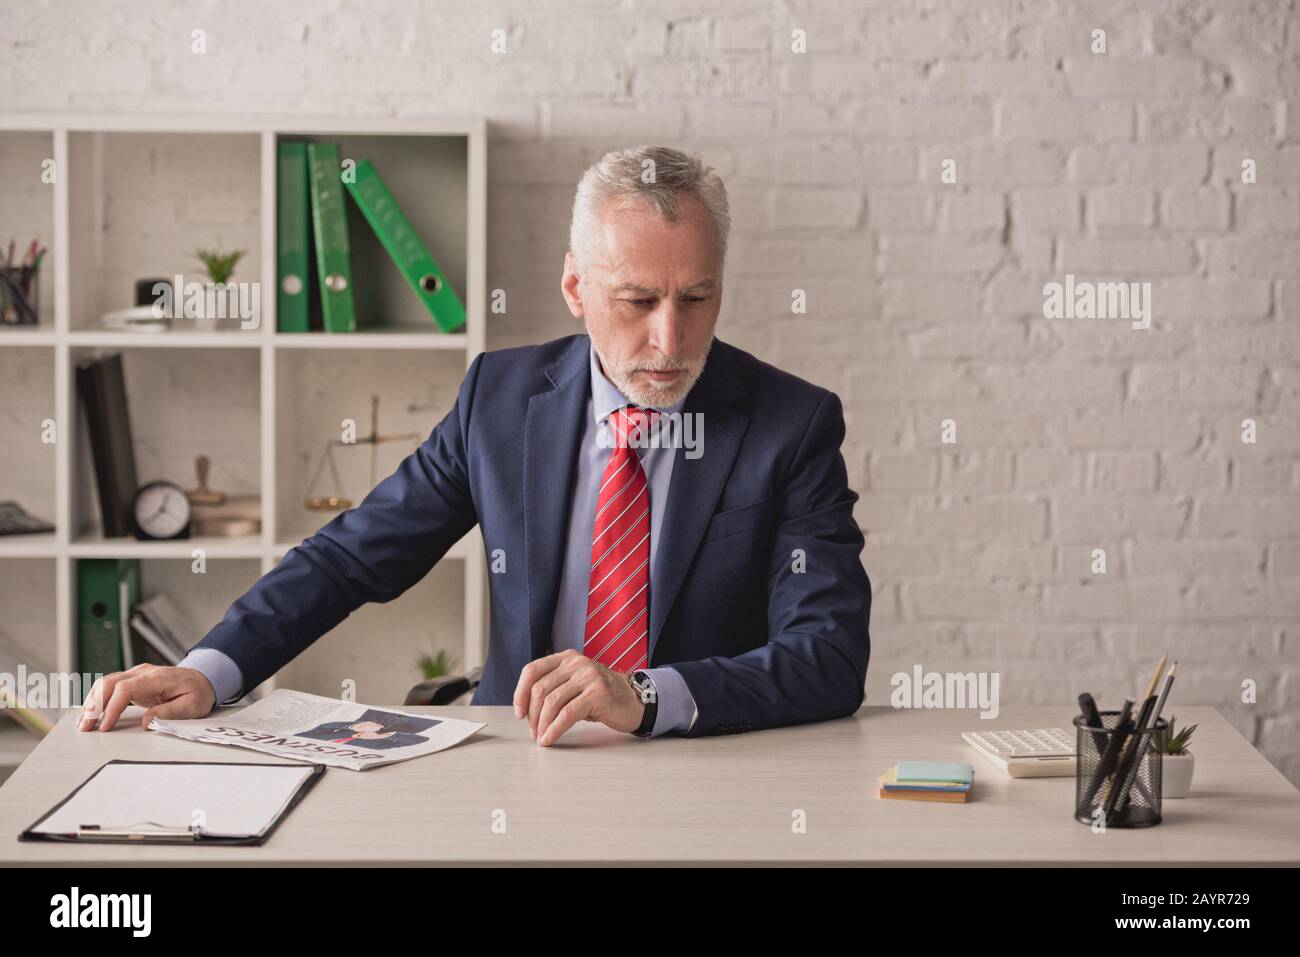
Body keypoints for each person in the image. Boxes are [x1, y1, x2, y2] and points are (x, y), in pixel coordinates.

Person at [80, 145, 872, 747]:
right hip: (517, 762)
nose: (670, 338)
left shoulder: (791, 425)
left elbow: (829, 655)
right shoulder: (500, 400)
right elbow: (352, 555)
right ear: (575, 288)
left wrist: (648, 693)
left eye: (697, 298)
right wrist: (208, 670)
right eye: (638, 300)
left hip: (706, 770)